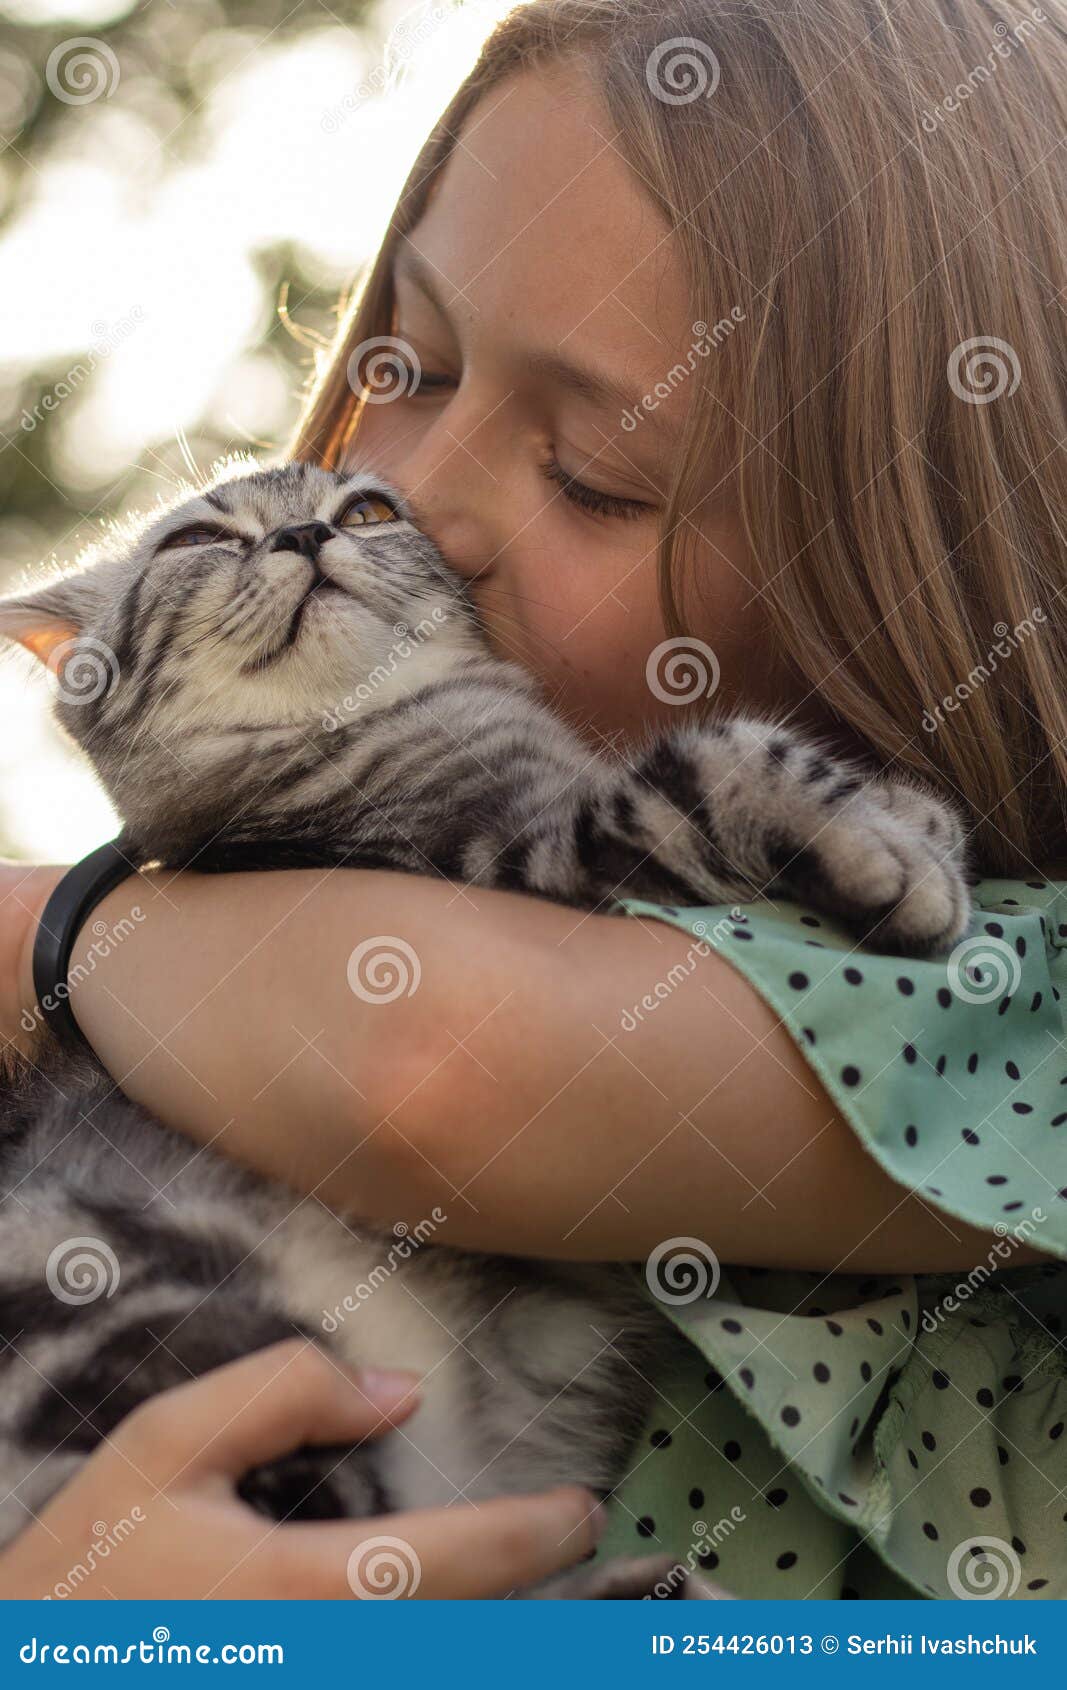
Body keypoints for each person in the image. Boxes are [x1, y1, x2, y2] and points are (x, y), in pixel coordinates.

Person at [1, 0, 1065, 1599]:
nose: (412, 496)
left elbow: (437, 1058)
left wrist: (48, 932)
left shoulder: (1025, 995)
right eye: (405, 366)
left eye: (594, 472)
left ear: (906, 580)